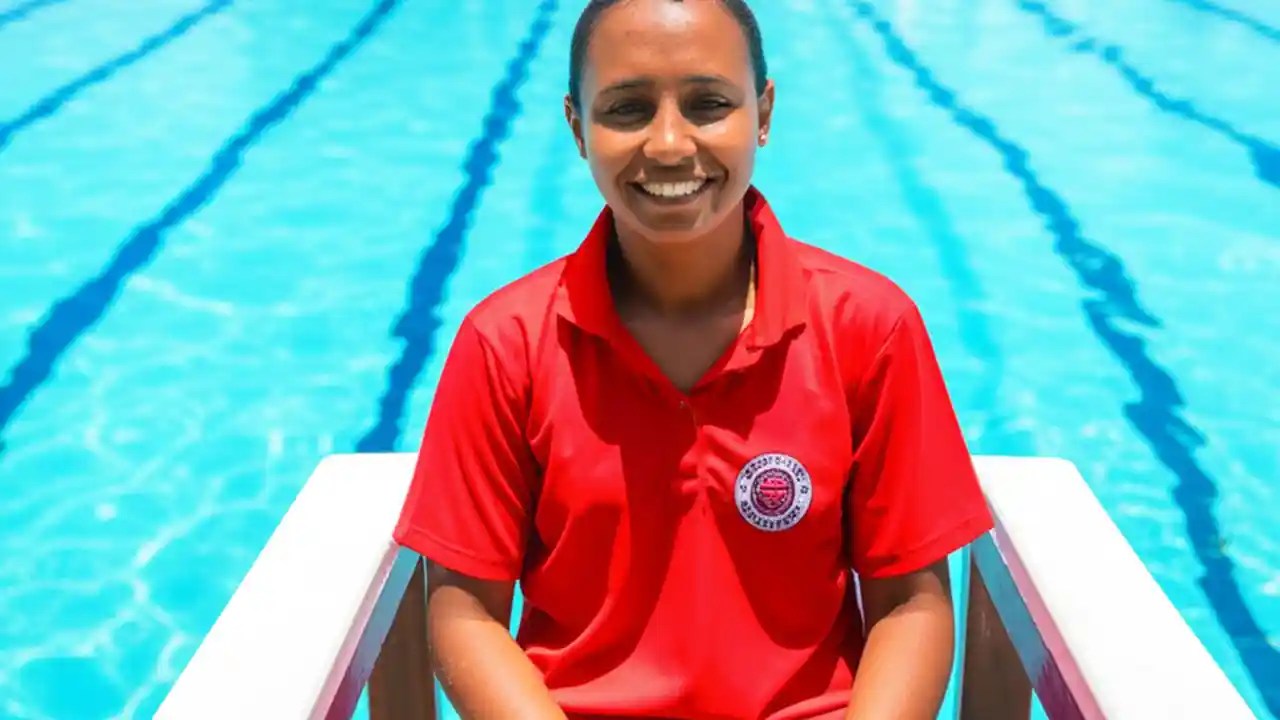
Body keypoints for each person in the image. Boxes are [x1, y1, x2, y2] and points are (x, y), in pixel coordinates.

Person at [392, 0, 994, 717]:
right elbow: (467, 612)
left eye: (709, 103)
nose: (671, 145)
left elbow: (909, 603)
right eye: (626, 109)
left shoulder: (868, 328)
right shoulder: (508, 343)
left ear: (763, 113)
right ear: (577, 127)